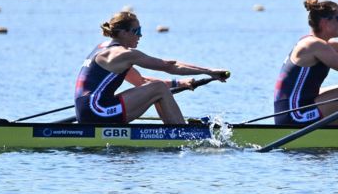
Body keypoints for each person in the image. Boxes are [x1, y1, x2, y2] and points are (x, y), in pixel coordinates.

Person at [74, 11, 230, 124]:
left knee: (157, 88)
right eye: (137, 31)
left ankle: (174, 128)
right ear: (123, 32)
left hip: (86, 112)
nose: (140, 36)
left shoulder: (103, 48)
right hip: (98, 112)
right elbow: (169, 66)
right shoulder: (123, 54)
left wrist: (179, 84)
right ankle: (181, 133)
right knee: (159, 88)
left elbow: (141, 81)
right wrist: (210, 72)